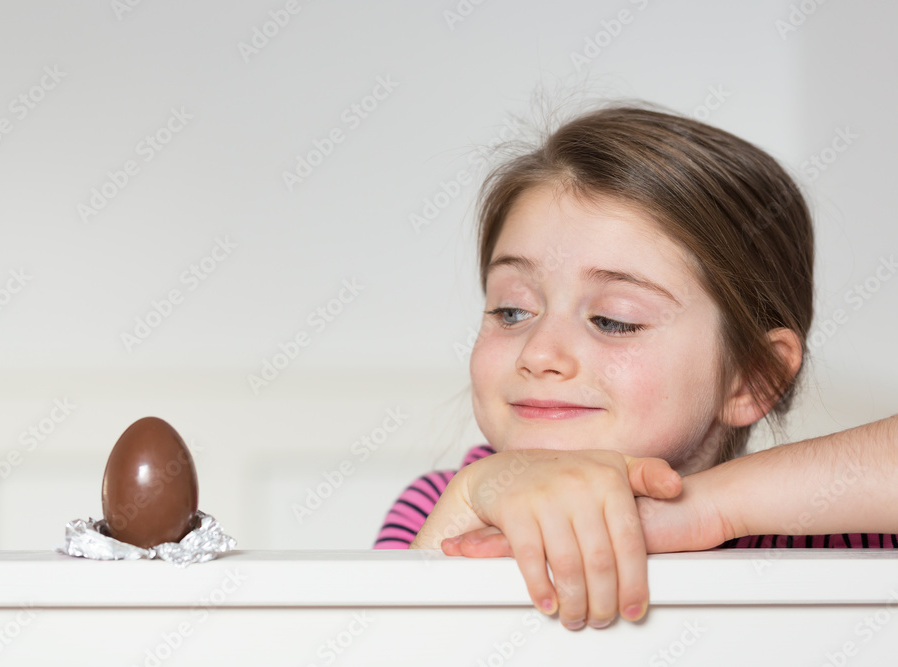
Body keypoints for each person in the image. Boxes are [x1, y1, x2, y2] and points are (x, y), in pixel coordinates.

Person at [372, 103, 898, 632]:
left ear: (752, 376)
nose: (537, 353)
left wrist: (708, 509)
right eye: (511, 311)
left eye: (613, 320)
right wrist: (464, 504)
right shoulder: (439, 508)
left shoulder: (837, 535)